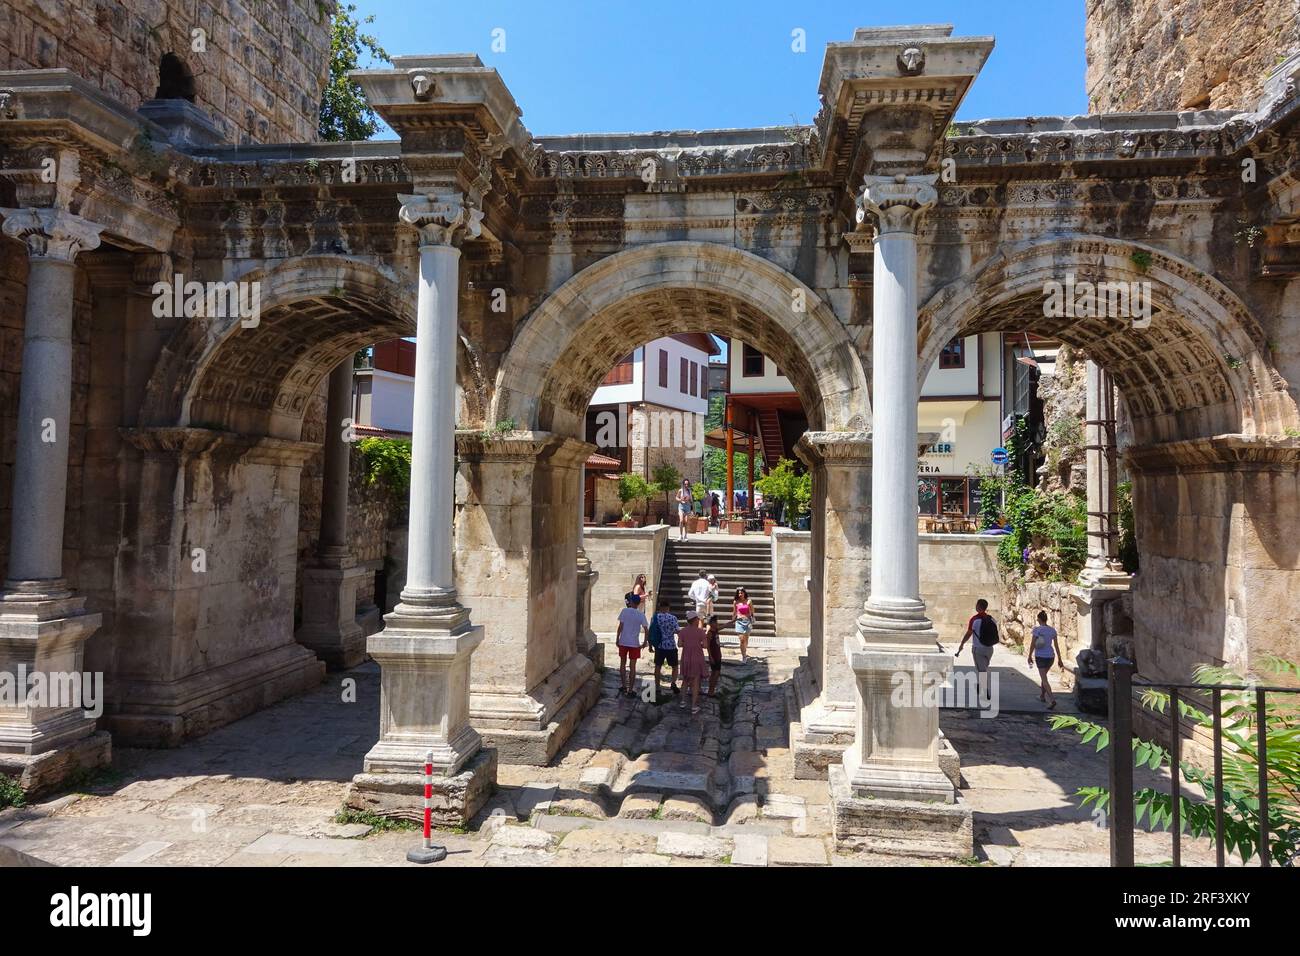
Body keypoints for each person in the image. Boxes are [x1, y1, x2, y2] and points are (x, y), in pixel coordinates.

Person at [955, 598, 1000, 705]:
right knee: (984, 668)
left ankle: (985, 692)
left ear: (979, 606)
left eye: (976, 605)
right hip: (990, 649)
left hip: (978, 649)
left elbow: (969, 633)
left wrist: (962, 644)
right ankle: (980, 685)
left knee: (982, 671)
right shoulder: (992, 619)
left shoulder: (974, 620)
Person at [615, 592, 649, 697]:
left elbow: (620, 626)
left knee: (622, 663)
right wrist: (644, 642)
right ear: (638, 603)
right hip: (634, 643)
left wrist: (617, 638)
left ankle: (624, 685)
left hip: (624, 641)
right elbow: (646, 629)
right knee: (633, 666)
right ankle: (630, 690)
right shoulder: (641, 614)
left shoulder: (624, 611)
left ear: (630, 602)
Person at [1028, 610, 1063, 709]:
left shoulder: (1037, 630)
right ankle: (1042, 696)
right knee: (1044, 677)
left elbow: (1032, 644)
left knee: (1044, 679)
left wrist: (1029, 655)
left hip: (1040, 657)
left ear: (1039, 619)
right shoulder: (1052, 630)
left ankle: (1052, 700)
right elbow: (1056, 646)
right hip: (1051, 657)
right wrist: (1060, 659)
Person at [677, 610, 708, 715]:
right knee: (695, 682)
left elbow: (679, 644)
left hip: (686, 657)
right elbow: (705, 645)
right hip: (697, 657)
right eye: (698, 618)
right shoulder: (700, 632)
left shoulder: (683, 631)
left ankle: (682, 701)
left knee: (685, 680)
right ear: (695, 620)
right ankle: (694, 706)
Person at [652, 601, 681, 697]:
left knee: (658, 666)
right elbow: (677, 631)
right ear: (668, 608)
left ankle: (657, 687)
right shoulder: (673, 618)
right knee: (675, 666)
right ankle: (673, 683)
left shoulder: (656, 617)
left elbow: (652, 631)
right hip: (671, 645)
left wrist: (650, 644)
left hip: (659, 645)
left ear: (660, 608)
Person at [733, 587, 754, 663]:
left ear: (744, 593)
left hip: (747, 621)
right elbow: (734, 612)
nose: (740, 594)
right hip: (739, 621)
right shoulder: (736, 602)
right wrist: (733, 619)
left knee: (746, 639)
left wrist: (751, 618)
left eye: (741, 593)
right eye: (738, 593)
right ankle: (744, 656)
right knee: (742, 640)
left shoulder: (749, 601)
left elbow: (752, 611)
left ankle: (744, 650)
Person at [705, 614, 723, 697]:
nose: (717, 623)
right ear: (711, 623)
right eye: (715, 622)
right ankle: (711, 690)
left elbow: (725, 626)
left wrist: (733, 621)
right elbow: (707, 646)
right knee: (715, 673)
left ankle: (711, 690)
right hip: (714, 656)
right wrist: (710, 656)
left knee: (715, 673)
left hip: (718, 654)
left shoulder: (716, 630)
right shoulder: (709, 633)